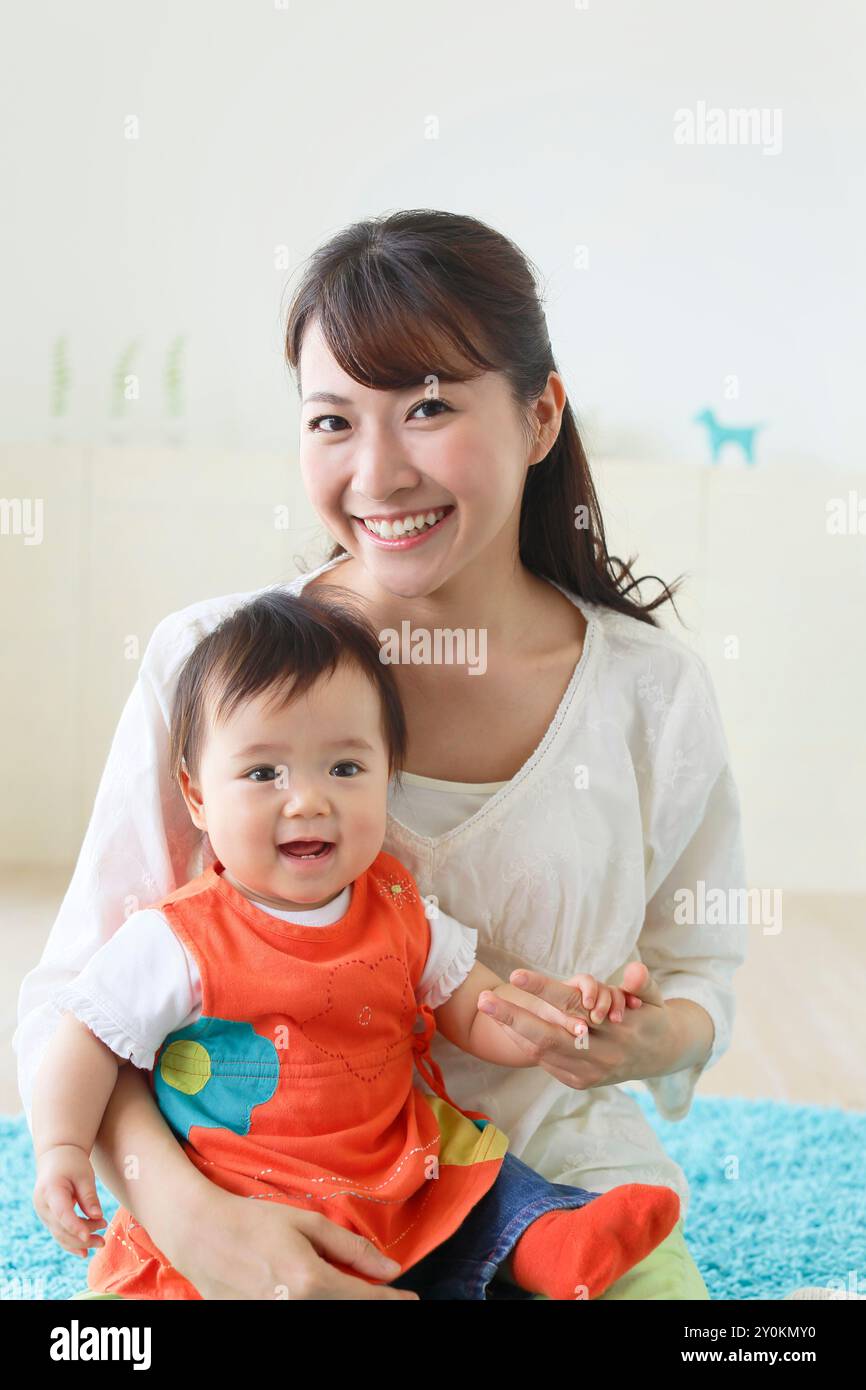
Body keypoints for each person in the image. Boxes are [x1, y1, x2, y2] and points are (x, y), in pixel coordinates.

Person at [15, 209, 747, 1300]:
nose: (377, 471)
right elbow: (80, 1000)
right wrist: (198, 1222)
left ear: (539, 415)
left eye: (428, 408)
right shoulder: (209, 674)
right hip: (260, 1195)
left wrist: (628, 1041)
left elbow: (699, 980)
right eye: (330, 421)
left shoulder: (649, 693)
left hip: (556, 1190)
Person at [30, 589, 680, 1301]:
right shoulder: (180, 936)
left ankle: (554, 1240)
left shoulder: (395, 902)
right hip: (250, 1197)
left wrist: (544, 1023)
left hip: (398, 1173)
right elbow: (86, 1035)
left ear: (386, 776)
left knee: (484, 1171)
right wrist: (61, 1148)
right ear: (196, 797)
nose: (307, 800)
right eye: (263, 773)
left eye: (344, 769)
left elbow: (470, 1005)